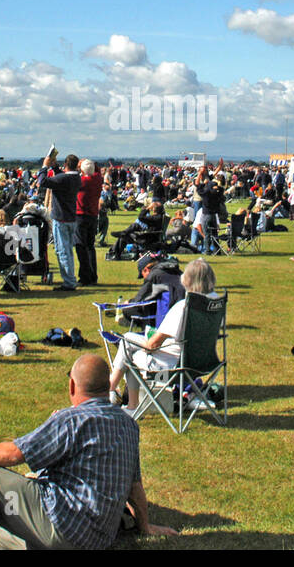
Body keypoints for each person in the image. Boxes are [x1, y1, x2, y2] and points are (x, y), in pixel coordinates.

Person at [0, 354, 177, 549]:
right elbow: (134, 486)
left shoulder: (71, 420)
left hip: (62, 526)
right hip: (97, 539)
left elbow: (14, 454)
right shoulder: (129, 425)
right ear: (107, 387)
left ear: (72, 385)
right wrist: (144, 526)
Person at [106, 258, 216, 412]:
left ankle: (115, 396)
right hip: (204, 361)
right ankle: (115, 394)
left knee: (128, 344)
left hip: (175, 365)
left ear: (186, 280)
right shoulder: (215, 304)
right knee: (130, 342)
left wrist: (143, 346)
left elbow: (153, 344)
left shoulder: (183, 307)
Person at [36, 149, 83, 291]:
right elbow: (61, 178)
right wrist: (55, 167)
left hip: (61, 218)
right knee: (67, 250)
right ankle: (70, 279)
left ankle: (69, 282)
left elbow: (42, 181)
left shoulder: (64, 179)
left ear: (66, 165)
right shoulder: (76, 178)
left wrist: (45, 166)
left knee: (63, 251)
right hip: (71, 217)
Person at [76, 158, 103, 286]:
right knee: (90, 247)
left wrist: (79, 166)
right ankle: (93, 275)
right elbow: (97, 171)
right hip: (93, 216)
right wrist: (88, 164)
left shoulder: (81, 181)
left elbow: (73, 176)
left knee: (81, 247)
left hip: (81, 216)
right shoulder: (97, 179)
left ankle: (85, 276)